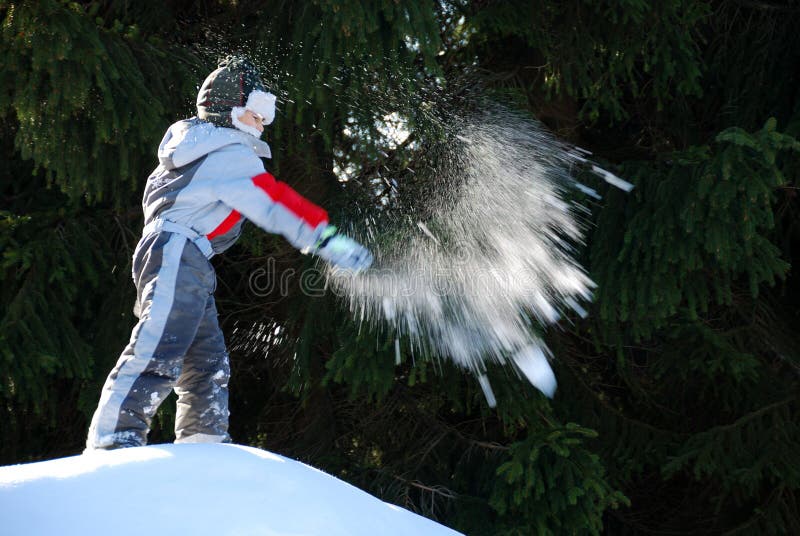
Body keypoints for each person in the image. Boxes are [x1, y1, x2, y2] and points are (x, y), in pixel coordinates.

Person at [86, 57, 372, 450]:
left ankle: (205, 443)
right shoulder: (228, 151)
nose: (263, 123)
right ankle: (114, 438)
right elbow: (275, 203)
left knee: (206, 360)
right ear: (232, 112)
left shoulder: (197, 148)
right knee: (160, 345)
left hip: (186, 257)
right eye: (259, 112)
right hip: (177, 253)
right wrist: (327, 240)